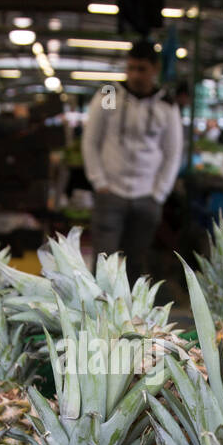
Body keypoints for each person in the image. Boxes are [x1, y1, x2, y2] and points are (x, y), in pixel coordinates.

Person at [80, 40, 184, 283]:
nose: (136, 75)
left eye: (142, 69)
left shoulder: (166, 105)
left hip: (147, 196)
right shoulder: (109, 95)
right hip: (110, 192)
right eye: (131, 68)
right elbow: (91, 140)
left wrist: (159, 193)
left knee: (135, 263)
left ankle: (128, 316)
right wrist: (99, 181)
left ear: (155, 69)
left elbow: (173, 152)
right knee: (103, 262)